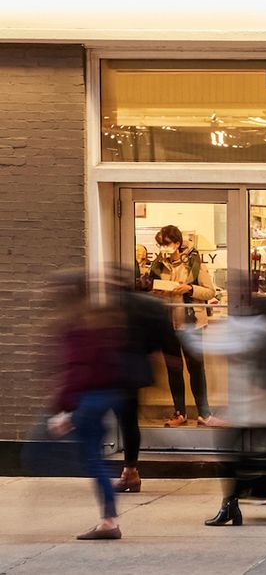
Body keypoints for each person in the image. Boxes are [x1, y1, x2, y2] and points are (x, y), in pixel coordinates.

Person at [181, 280, 266, 526]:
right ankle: (235, 502)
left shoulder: (256, 327)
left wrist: (184, 334)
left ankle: (248, 497)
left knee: (237, 458)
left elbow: (220, 346)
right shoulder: (264, 325)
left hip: (262, 407)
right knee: (243, 457)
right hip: (262, 407)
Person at [45, 272, 125, 542]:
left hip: (88, 398)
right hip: (107, 394)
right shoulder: (101, 318)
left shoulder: (75, 324)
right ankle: (108, 517)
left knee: (92, 458)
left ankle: (108, 521)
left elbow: (76, 370)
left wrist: (64, 409)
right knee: (93, 456)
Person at [112, 268, 180, 494]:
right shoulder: (151, 304)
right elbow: (164, 335)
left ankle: (129, 473)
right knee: (128, 420)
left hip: (115, 368)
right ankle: (130, 470)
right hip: (135, 368)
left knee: (121, 419)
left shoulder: (113, 304)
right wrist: (165, 356)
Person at [149, 224, 222, 427]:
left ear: (177, 243)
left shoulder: (194, 264)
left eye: (166, 244)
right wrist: (157, 292)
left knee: (196, 368)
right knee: (174, 370)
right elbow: (150, 290)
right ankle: (179, 413)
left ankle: (204, 414)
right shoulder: (157, 265)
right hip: (167, 325)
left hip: (192, 325)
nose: (163, 248)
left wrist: (189, 288)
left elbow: (210, 292)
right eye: (160, 244)